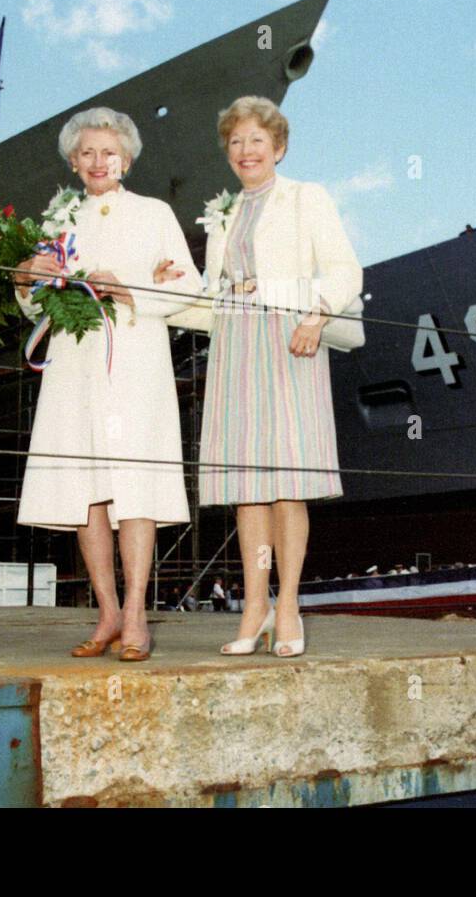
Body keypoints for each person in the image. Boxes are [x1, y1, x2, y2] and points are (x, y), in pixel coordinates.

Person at [168, 96, 362, 658]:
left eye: (256, 140)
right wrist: (166, 287)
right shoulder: (224, 213)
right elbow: (211, 294)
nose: (245, 150)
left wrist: (318, 314)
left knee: (287, 483)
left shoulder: (307, 197)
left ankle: (290, 604)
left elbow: (346, 267)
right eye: (235, 142)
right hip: (234, 345)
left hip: (288, 339)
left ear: (277, 146)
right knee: (246, 490)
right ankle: (254, 605)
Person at [12, 107, 199, 662]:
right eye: (87, 152)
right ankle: (107, 611)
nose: (98, 162)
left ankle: (138, 615)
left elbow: (189, 283)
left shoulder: (155, 213)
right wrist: (27, 279)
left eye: (108, 152)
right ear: (73, 161)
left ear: (127, 159)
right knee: (85, 488)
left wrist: (128, 286)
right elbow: (35, 309)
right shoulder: (58, 220)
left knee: (134, 487)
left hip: (136, 361)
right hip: (73, 365)